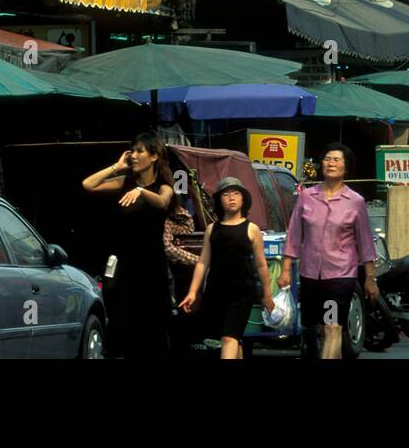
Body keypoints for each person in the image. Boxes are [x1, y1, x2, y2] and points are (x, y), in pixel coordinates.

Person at [279, 142, 378, 359]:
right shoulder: (307, 196)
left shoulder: (355, 202)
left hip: (340, 276)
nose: (330, 163)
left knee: (333, 325)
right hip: (310, 274)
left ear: (346, 166)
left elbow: (365, 242)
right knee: (323, 328)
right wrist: (285, 269)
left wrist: (370, 277)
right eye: (327, 159)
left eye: (336, 159)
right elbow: (294, 235)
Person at [81, 132, 175, 358]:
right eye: (132, 151)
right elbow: (88, 184)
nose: (134, 155)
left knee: (153, 331)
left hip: (152, 270)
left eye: (140, 151)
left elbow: (162, 202)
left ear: (154, 157)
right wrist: (117, 166)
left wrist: (142, 192)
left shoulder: (164, 187)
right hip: (125, 269)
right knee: (124, 325)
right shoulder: (125, 182)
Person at [179, 177, 275, 359]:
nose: (231, 198)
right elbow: (202, 262)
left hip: (242, 293)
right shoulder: (211, 229)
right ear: (219, 200)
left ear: (243, 199)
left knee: (228, 339)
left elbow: (261, 264)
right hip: (215, 292)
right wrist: (193, 292)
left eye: (236, 193)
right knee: (232, 340)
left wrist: (267, 294)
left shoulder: (252, 229)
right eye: (226, 194)